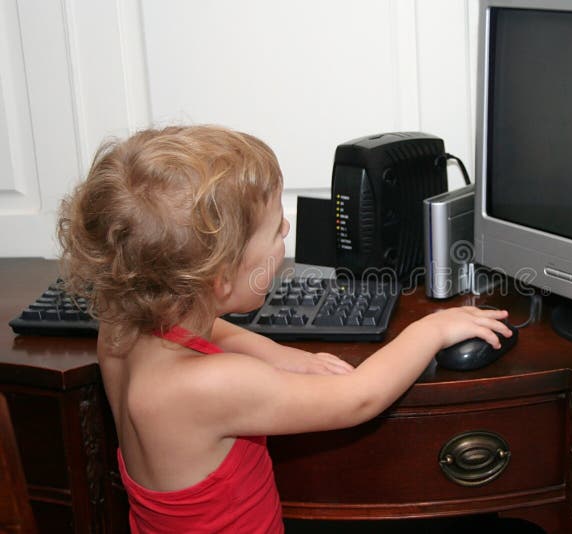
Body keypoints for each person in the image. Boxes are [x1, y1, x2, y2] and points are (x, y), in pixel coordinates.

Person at [57, 125, 512, 533]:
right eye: (276, 230)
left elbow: (207, 328)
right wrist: (430, 330)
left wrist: (281, 357)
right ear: (222, 277)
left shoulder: (122, 335)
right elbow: (360, 398)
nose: (287, 228)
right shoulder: (213, 385)